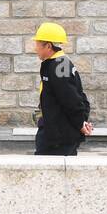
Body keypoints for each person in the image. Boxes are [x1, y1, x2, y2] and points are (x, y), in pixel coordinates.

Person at [31, 21, 93, 156]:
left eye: (37, 44)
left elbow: (73, 100)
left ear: (48, 46)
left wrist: (80, 123)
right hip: (54, 132)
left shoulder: (60, 67)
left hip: (59, 137)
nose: (35, 48)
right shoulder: (54, 63)